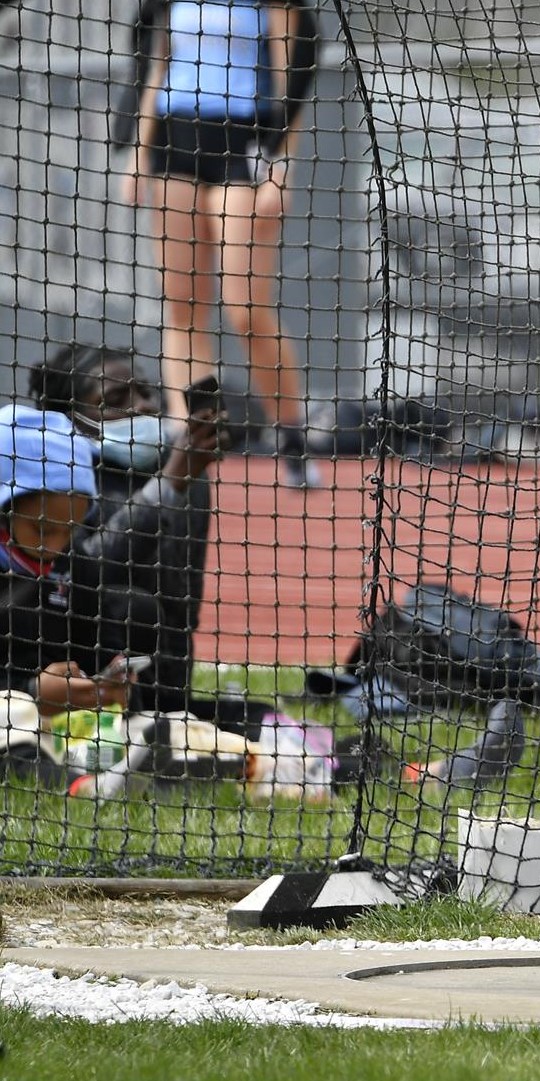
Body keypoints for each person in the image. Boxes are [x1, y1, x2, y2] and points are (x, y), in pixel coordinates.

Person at [115, 0, 322, 488]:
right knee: (184, 307)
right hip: (175, 144)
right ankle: (192, 441)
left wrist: (280, 169)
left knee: (245, 309)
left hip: (243, 148)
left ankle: (292, 435)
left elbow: (290, 78)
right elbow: (154, 68)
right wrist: (138, 155)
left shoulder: (276, 5)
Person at [30, 347, 230, 717]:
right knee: (133, 606)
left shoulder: (188, 472)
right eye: (116, 399)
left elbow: (180, 606)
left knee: (260, 721)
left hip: (161, 677)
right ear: (72, 418)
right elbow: (81, 575)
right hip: (71, 676)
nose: (142, 406)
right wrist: (169, 485)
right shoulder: (55, 479)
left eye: (145, 393)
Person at [0, 407, 158, 778]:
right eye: (41, 529)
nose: (54, 545)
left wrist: (106, 684)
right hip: (13, 715)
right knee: (13, 720)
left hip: (69, 723)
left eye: (69, 530)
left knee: (137, 610)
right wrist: (31, 689)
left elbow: (95, 635)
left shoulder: (73, 563)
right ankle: (75, 783)